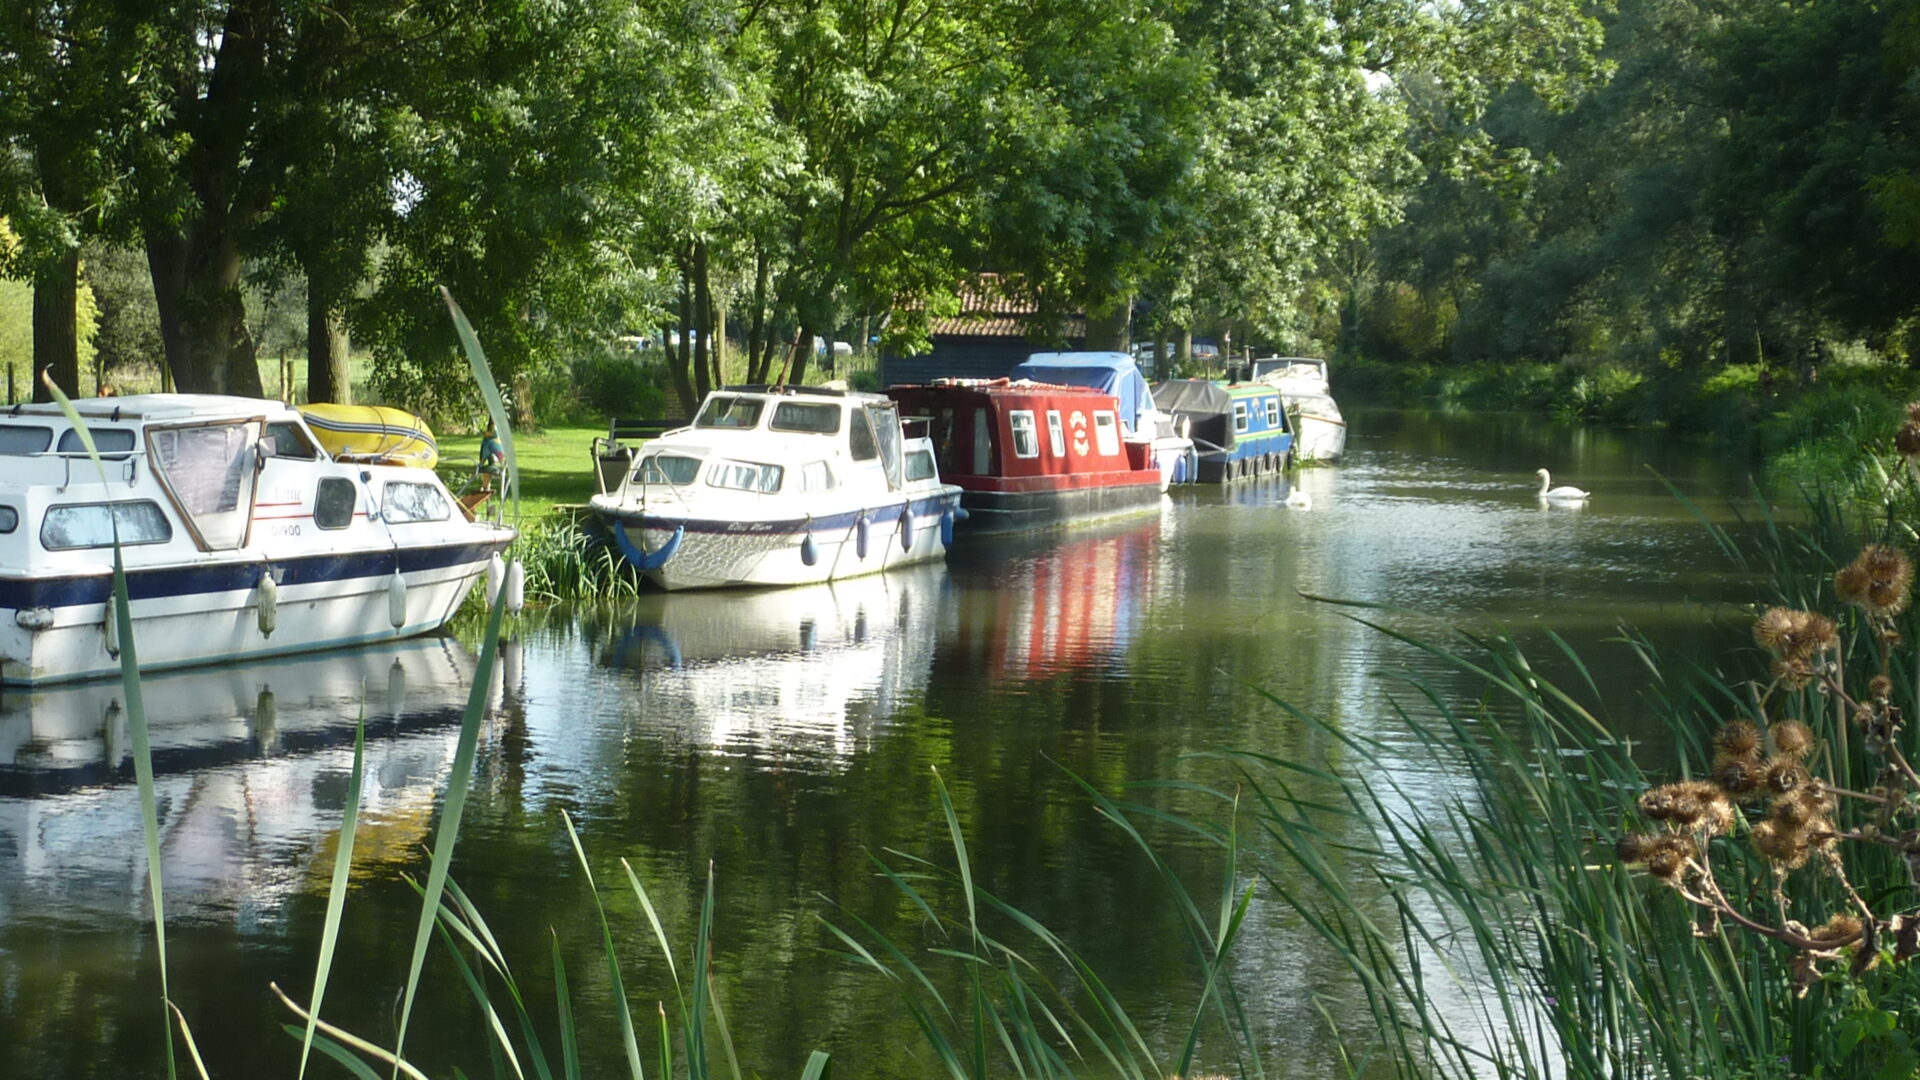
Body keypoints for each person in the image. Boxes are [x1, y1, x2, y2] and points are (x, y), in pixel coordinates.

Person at [478, 423, 505, 493]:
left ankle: (486, 486)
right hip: (491, 463)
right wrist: (480, 465)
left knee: (489, 469)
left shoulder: (495, 441)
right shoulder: (487, 442)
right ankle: (485, 487)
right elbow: (484, 456)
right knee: (487, 471)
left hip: (496, 463)